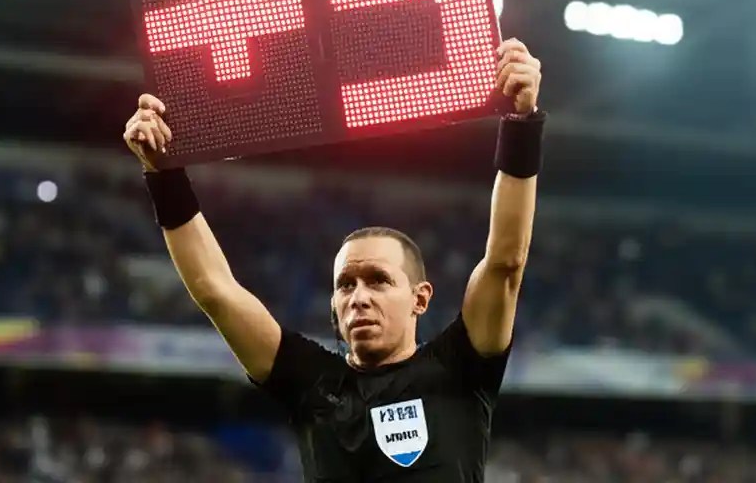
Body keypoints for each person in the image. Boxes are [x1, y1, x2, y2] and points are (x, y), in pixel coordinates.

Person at [122, 38, 544, 481]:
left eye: (378, 280)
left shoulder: (460, 367)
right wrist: (163, 173)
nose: (358, 297)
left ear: (420, 298)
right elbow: (216, 291)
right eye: (345, 284)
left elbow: (505, 263)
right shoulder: (314, 385)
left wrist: (521, 123)